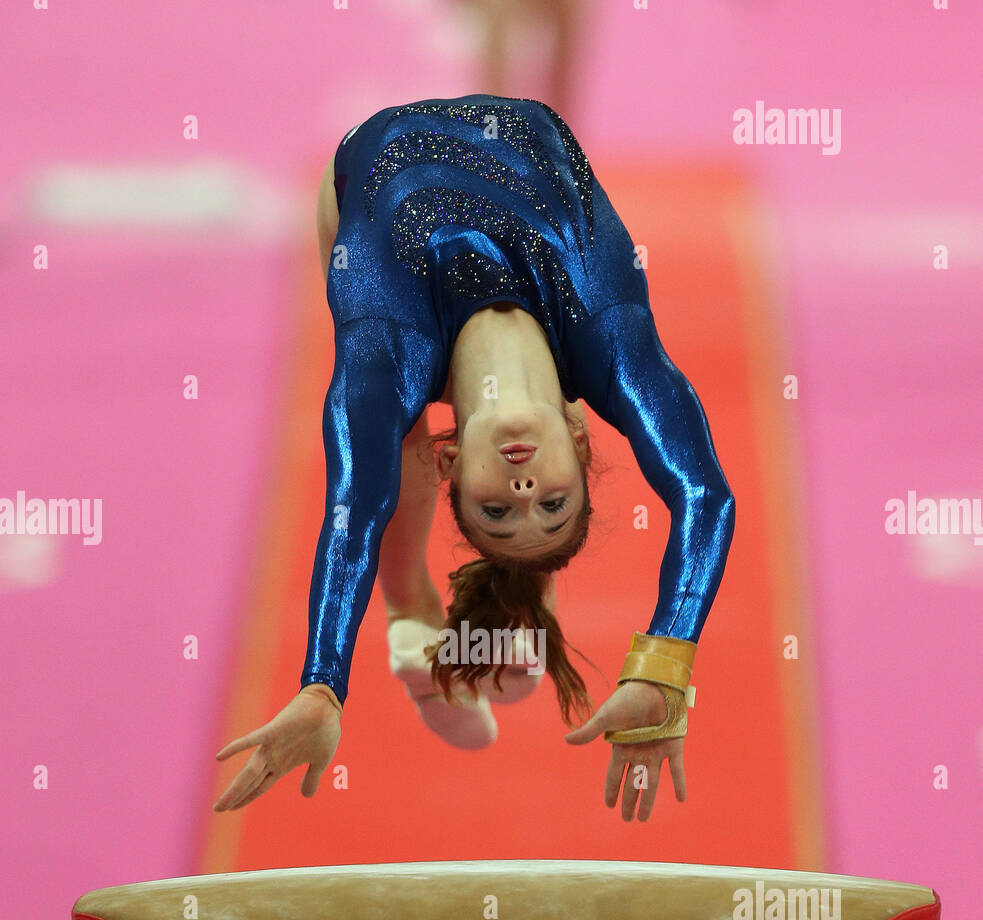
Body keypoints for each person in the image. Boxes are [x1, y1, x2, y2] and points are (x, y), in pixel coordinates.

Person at [214, 95, 734, 823]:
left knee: (386, 443)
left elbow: (350, 518)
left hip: (367, 171)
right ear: (583, 443)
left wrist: (321, 684)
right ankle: (472, 615)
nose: (523, 488)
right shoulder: (610, 337)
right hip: (531, 186)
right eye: (551, 502)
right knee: (472, 417)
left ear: (453, 466)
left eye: (498, 509)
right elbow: (706, 496)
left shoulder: (384, 344)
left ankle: (411, 617)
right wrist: (665, 667)